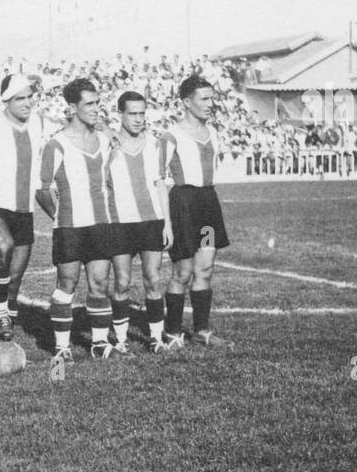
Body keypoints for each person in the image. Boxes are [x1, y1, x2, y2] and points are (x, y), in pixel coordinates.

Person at [36, 77, 116, 363]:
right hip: (69, 226)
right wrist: (58, 215)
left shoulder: (105, 140)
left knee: (99, 282)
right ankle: (61, 347)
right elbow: (42, 189)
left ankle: (98, 343)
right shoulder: (56, 145)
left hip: (101, 224)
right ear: (72, 107)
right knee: (66, 283)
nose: (96, 109)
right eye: (89, 104)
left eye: (98, 103)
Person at [0, 73, 46, 342]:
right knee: (3, 245)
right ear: (6, 100)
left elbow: (72, 127)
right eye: (20, 98)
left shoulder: (38, 122)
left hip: (23, 212)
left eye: (29, 97)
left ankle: (3, 339)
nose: (27, 103)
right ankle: (0, 314)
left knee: (13, 284)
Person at [159, 75, 232, 349]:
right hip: (184, 205)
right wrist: (166, 221)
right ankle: (173, 332)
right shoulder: (171, 135)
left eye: (212, 98)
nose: (210, 104)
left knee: (206, 267)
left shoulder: (213, 132)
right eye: (204, 99)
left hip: (207, 205)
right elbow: (159, 179)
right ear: (187, 102)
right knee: (183, 270)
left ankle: (202, 330)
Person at [105, 90, 171, 354]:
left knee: (153, 279)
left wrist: (167, 223)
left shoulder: (154, 143)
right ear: (120, 114)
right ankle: (120, 339)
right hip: (119, 222)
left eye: (142, 113)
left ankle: (156, 337)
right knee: (121, 282)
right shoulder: (108, 144)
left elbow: (159, 184)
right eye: (132, 113)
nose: (138, 119)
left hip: (150, 221)